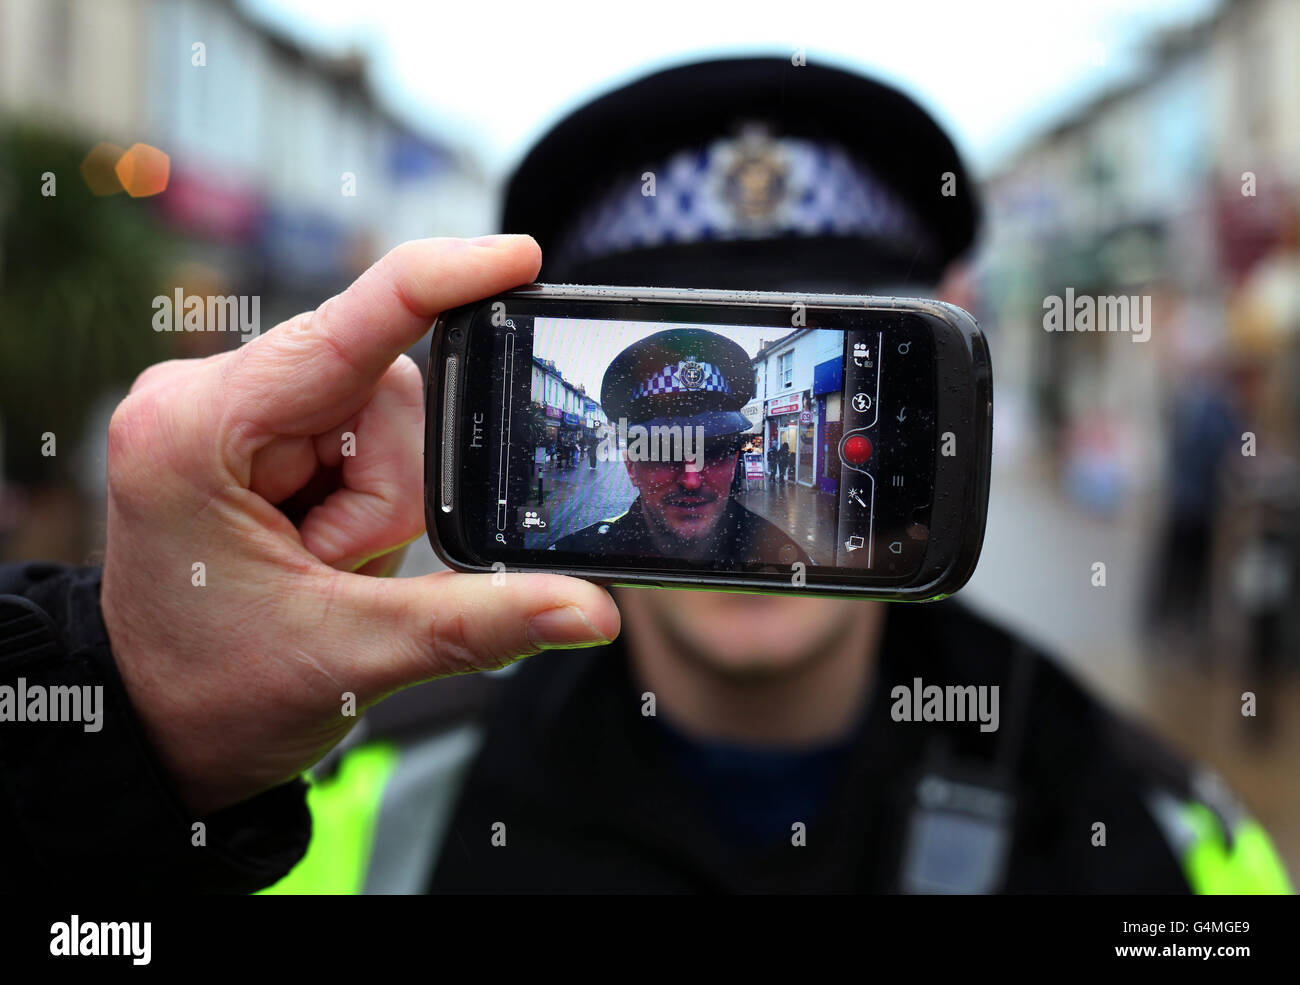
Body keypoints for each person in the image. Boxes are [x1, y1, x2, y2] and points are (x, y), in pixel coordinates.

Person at [0, 57, 1290, 893]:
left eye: (725, 431)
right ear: (618, 448)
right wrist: (133, 726)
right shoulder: (354, 807)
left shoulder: (1167, 837)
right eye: (661, 436)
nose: (692, 470)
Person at [549, 329, 812, 565]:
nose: (691, 480)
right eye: (666, 452)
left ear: (733, 463)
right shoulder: (572, 565)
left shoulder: (787, 559)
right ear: (631, 466)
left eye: (712, 452)